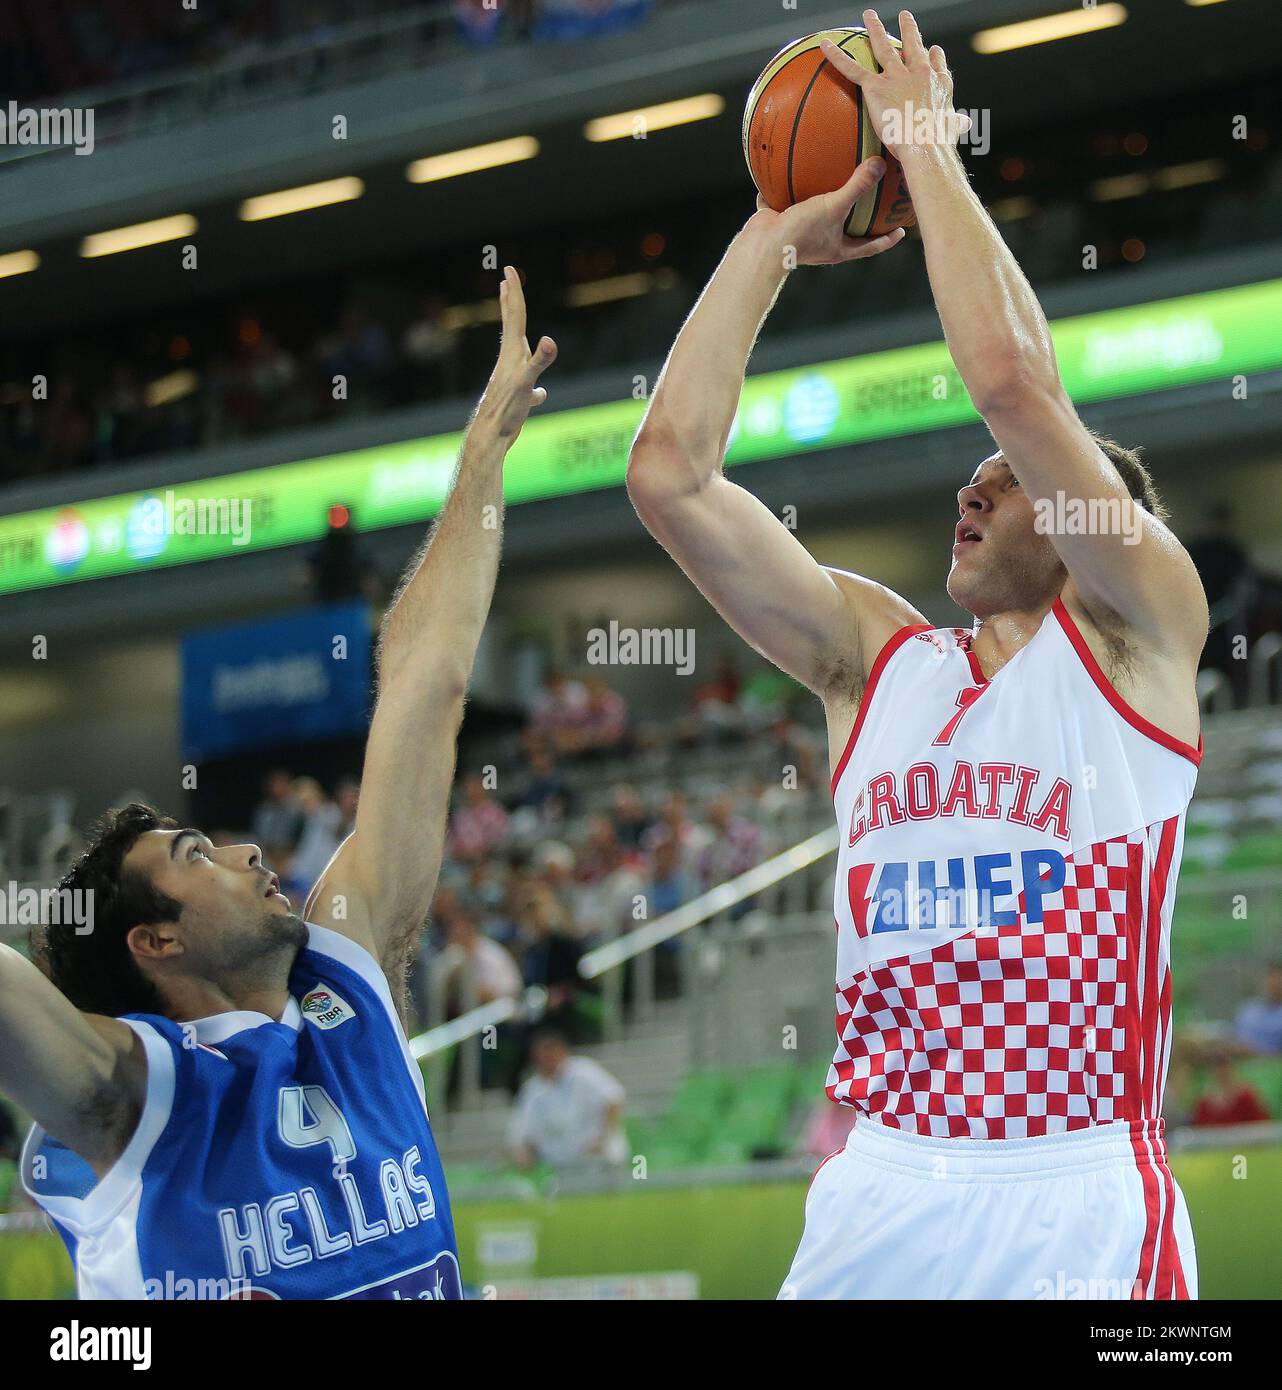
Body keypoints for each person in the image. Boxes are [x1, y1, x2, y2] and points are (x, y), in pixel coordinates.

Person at [626, 11, 1207, 1300]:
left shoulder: (1140, 634)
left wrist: (926, 151)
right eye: (970, 480)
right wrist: (773, 236)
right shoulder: (878, 660)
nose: (972, 490)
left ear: (1081, 523)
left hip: (1075, 1188)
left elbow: (1010, 380)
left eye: (1005, 485)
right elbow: (668, 474)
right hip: (879, 1185)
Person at [0, 266, 556, 1301]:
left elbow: (423, 694)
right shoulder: (125, 1101)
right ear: (153, 941)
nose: (251, 851)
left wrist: (482, 460)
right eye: (196, 856)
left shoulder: (347, 972)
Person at [507, 1030, 626, 1172]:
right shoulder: (533, 1089)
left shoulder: (585, 1071)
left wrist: (603, 1138)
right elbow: (519, 1132)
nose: (546, 1062)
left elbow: (614, 1099)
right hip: (559, 1167)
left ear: (561, 1052)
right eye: (542, 1058)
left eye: (550, 1056)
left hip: (599, 1159)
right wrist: (522, 1153)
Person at [1234, 962, 1282, 1056]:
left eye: (1278, 979)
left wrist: (1255, 1053)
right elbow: (1236, 1036)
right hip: (1236, 1056)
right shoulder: (1248, 1008)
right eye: (1270, 978)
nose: (1274, 983)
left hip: (1265, 1062)